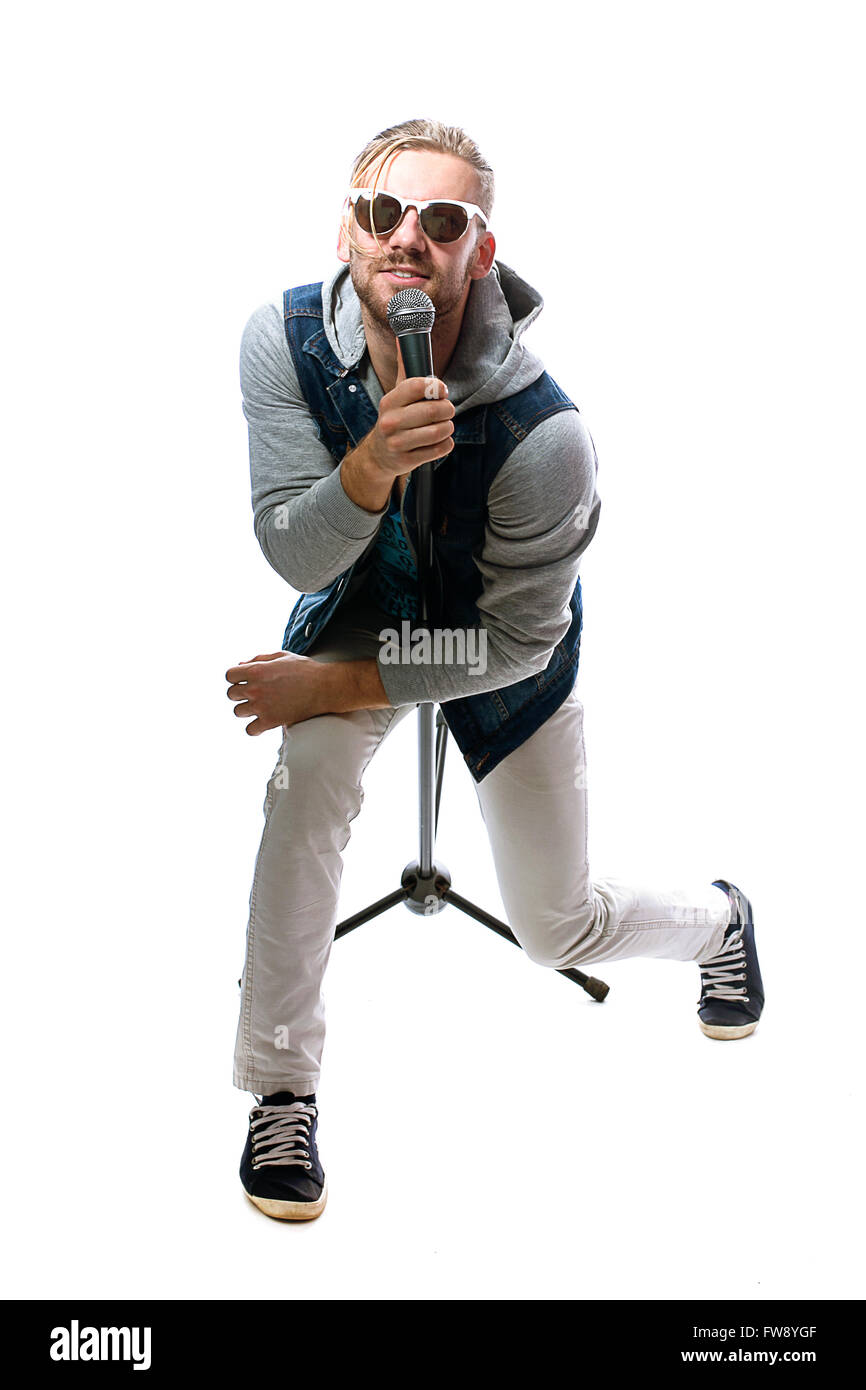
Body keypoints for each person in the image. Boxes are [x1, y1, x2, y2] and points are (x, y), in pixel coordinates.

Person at [225, 118, 765, 1222]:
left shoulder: (544, 433)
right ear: (348, 225)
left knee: (550, 927)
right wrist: (369, 468)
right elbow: (290, 544)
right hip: (366, 604)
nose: (404, 240)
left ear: (480, 249)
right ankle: (281, 1082)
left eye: (440, 220)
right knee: (305, 789)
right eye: (382, 213)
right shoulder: (279, 341)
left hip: (493, 641)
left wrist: (328, 685)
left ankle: (716, 921)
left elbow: (514, 642)